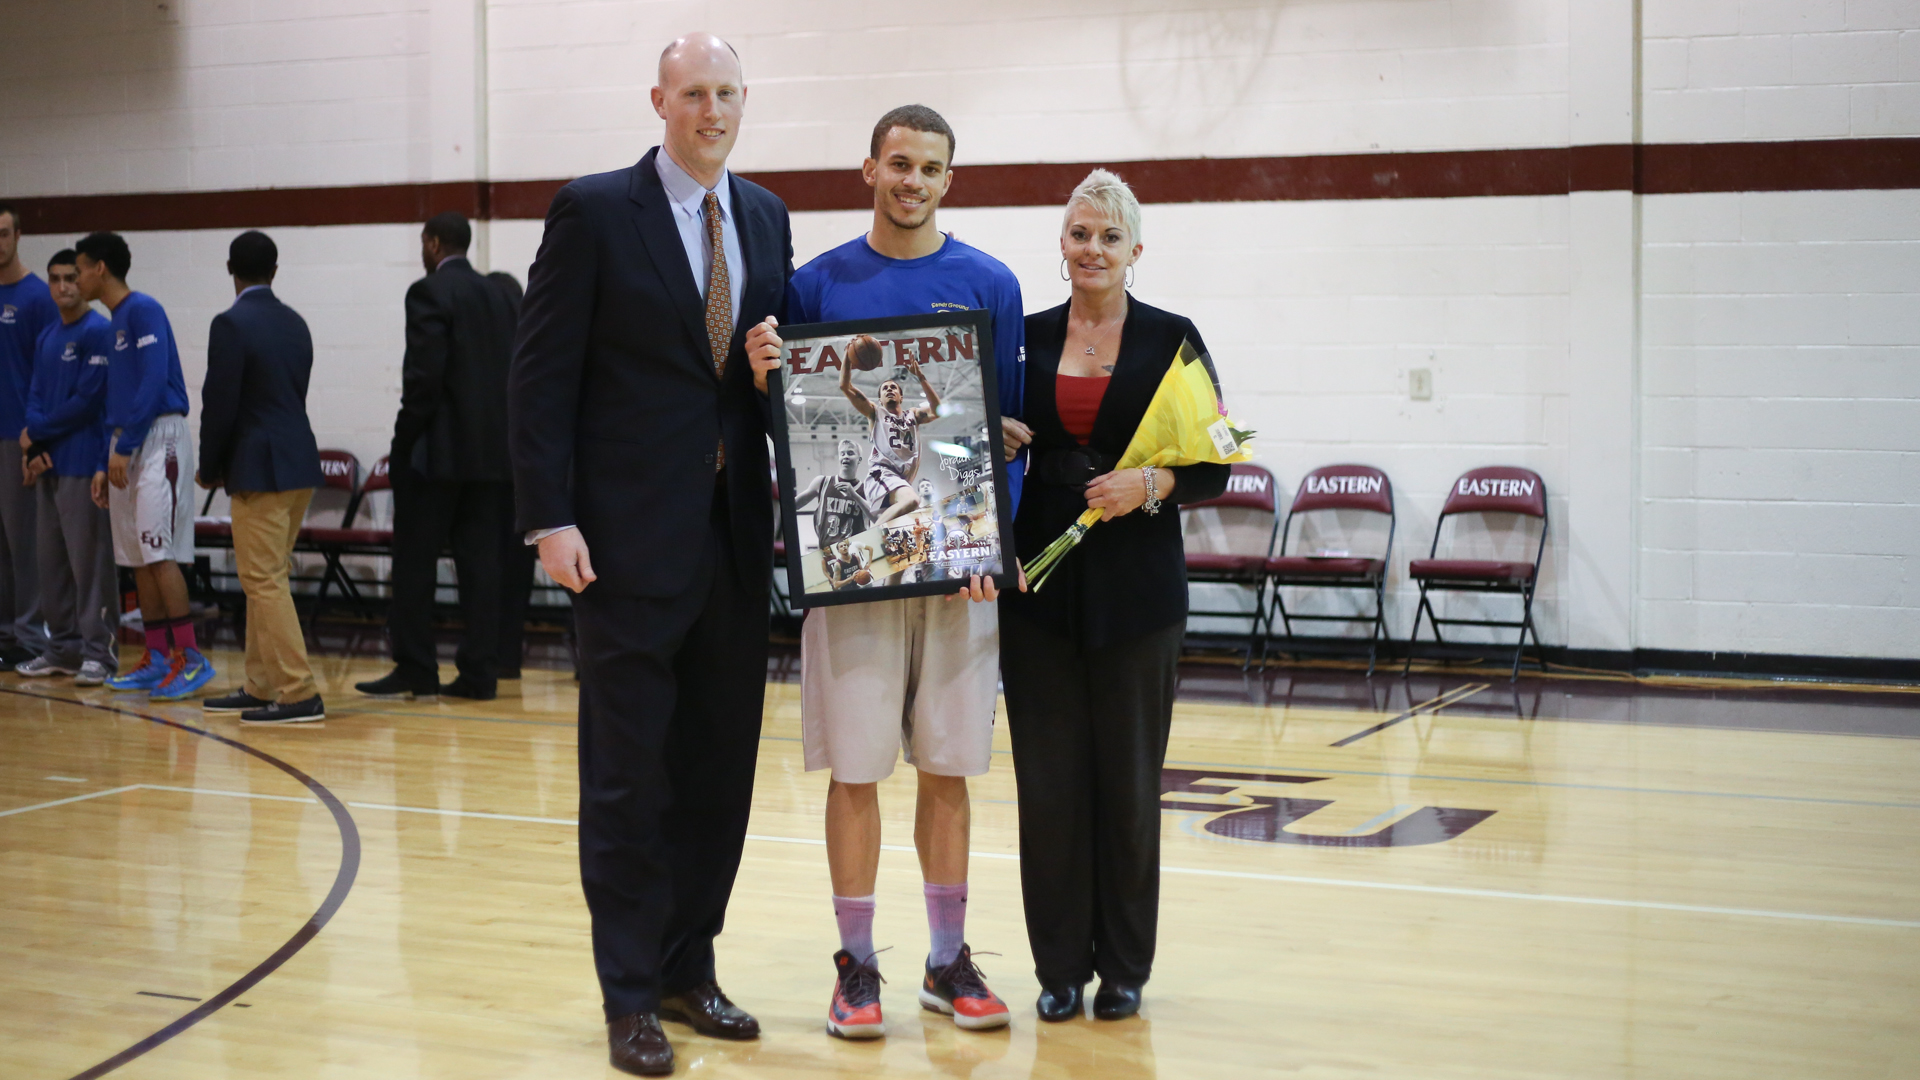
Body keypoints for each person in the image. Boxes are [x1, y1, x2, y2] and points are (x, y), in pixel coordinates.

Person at [507, 33, 791, 1077]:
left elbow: (763, 379)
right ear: (660, 102)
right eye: (695, 93)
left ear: (744, 102)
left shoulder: (765, 215)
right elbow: (539, 376)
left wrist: (769, 373)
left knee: (716, 772)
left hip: (732, 539)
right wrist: (550, 517)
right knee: (627, 781)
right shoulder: (592, 211)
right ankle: (628, 995)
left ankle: (687, 968)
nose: (712, 111)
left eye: (728, 94)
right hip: (622, 544)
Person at [782, 103, 1025, 1042]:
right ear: (870, 170)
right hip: (854, 575)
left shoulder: (990, 284)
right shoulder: (815, 285)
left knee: (949, 769)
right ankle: (856, 966)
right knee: (856, 770)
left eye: (929, 168)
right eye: (899, 163)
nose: (912, 180)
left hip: (959, 573)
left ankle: (946, 959)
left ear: (948, 180)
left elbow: (1004, 438)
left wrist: (991, 544)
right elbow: (799, 420)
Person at [999, 169, 1229, 1023]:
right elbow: (963, 449)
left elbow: (1215, 465)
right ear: (1061, 246)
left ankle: (1126, 968)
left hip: (1138, 597)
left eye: (1109, 236)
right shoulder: (1021, 339)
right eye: (1079, 234)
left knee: (1129, 788)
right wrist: (994, 435)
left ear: (1136, 250)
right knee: (1048, 789)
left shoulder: (1173, 339)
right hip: (1037, 591)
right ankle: (1059, 968)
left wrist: (1153, 483)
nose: (1092, 249)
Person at [355, 211, 517, 702]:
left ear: (432, 243)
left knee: (415, 564)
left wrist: (403, 444)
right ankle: (480, 673)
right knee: (482, 567)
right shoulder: (502, 295)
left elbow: (423, 380)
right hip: (493, 456)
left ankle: (417, 669)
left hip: (438, 457)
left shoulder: (428, 292)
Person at [194, 230, 328, 725]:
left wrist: (209, 467)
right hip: (298, 462)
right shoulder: (295, 322)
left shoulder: (230, 323)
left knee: (263, 579)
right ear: (275, 270)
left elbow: (220, 403)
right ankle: (261, 683)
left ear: (230, 269)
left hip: (259, 468)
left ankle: (298, 692)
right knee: (265, 577)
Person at [75, 231, 212, 701]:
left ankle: (190, 657)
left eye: (80, 269)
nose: (76, 279)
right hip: (126, 443)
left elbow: (154, 383)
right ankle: (156, 658)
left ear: (100, 268)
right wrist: (105, 459)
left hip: (158, 439)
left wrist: (127, 444)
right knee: (137, 558)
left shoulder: (144, 309)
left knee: (159, 552)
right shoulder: (115, 321)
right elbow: (114, 399)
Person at [16, 248, 115, 685]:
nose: (62, 286)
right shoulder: (47, 336)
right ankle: (62, 649)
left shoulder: (99, 332)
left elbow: (87, 401)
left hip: (82, 464)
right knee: (51, 562)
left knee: (88, 565)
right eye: (55, 278)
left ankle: (99, 653)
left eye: (71, 277)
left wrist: (35, 432)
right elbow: (35, 393)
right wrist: (33, 442)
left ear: (84, 279)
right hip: (49, 466)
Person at [0, 202, 54, 670]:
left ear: (18, 236)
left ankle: (31, 635)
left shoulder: (38, 297)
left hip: (16, 436)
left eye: (3, 233)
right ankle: (5, 634)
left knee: (23, 543)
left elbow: (50, 373)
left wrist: (36, 438)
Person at [485, 269, 537, 681]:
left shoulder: (486, 347)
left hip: (491, 471)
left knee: (490, 565)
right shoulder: (531, 339)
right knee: (518, 569)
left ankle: (492, 654)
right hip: (526, 475)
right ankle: (508, 656)